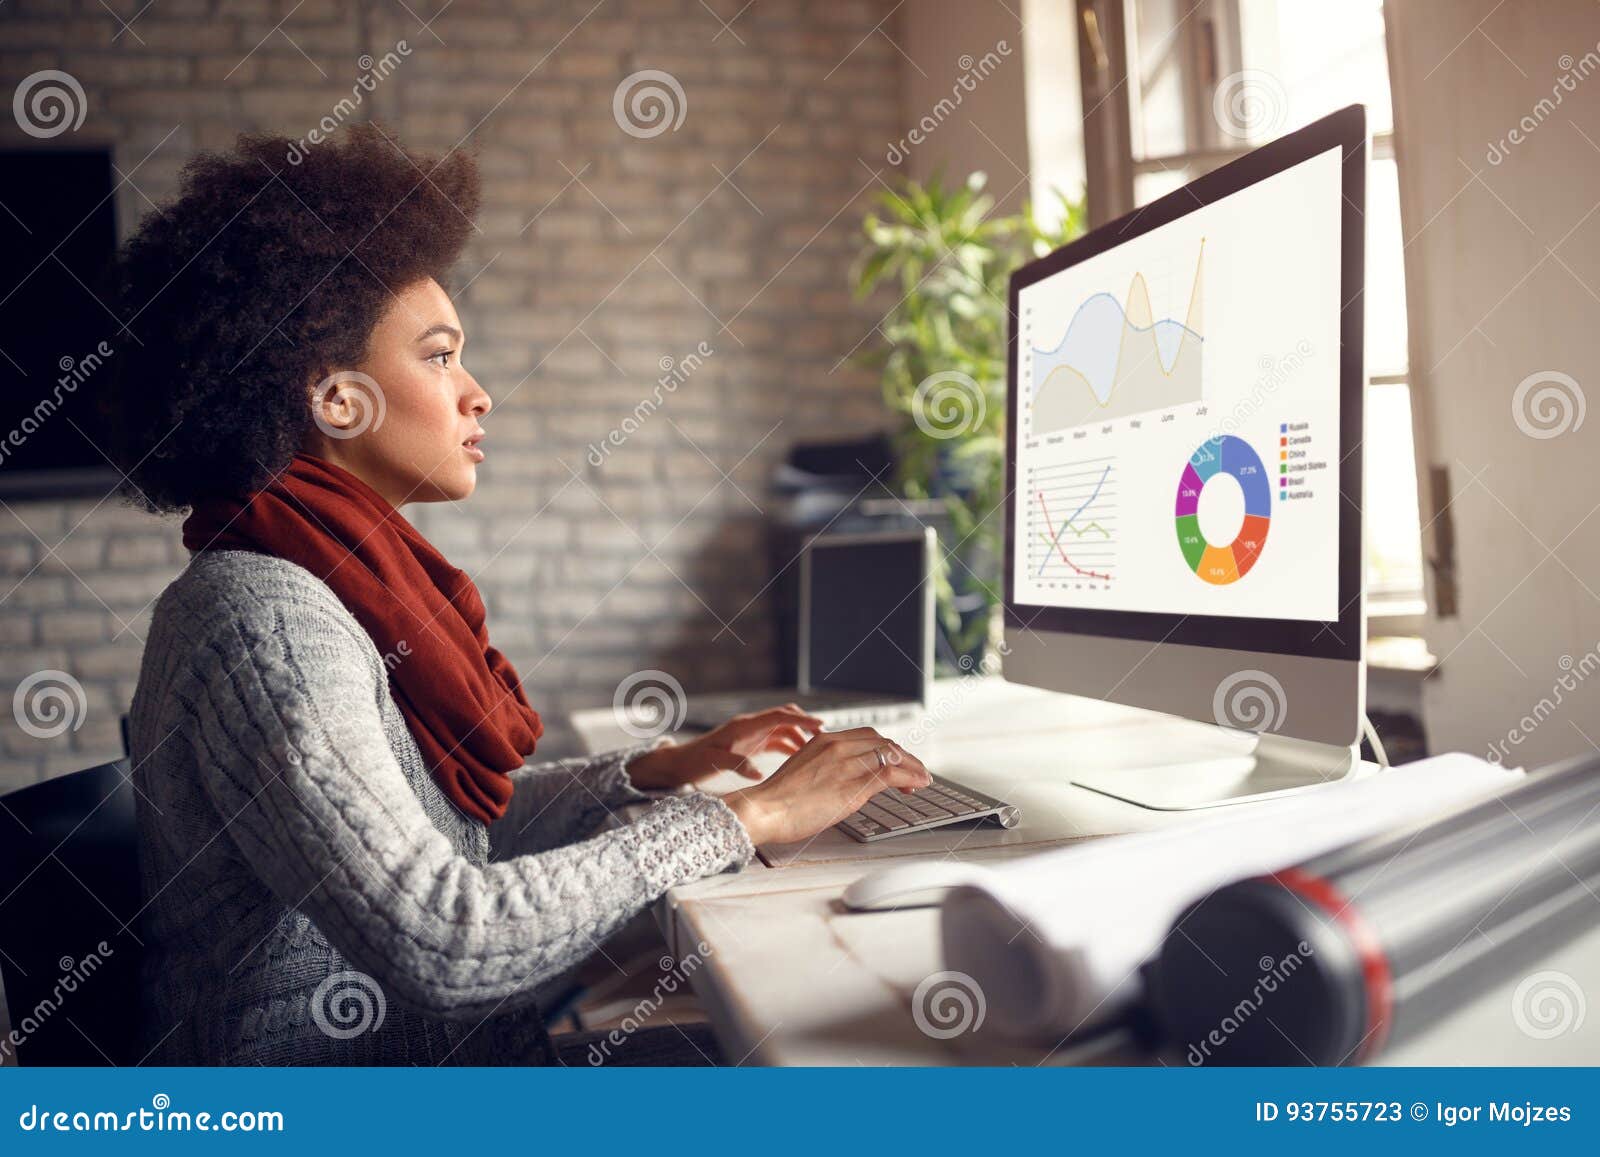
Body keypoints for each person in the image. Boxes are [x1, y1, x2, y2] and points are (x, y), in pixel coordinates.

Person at [105, 124, 929, 1067]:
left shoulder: (318, 576)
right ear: (336, 398)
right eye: (439, 356)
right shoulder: (267, 622)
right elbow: (444, 934)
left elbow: (441, 830)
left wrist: (660, 769)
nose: (477, 393)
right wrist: (750, 818)